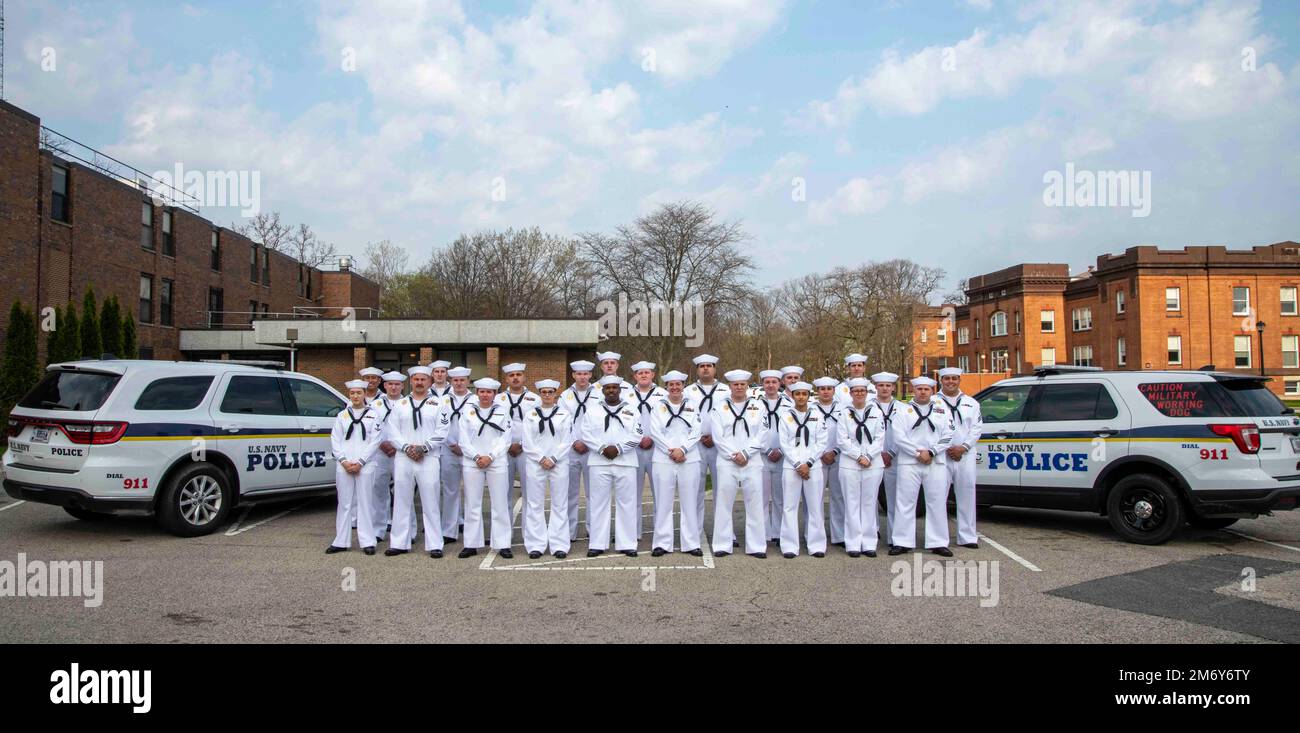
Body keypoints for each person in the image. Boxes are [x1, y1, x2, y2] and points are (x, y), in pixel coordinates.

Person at [386, 366, 450, 558]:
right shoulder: (401, 404)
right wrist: (406, 447)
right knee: (401, 500)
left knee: (430, 501)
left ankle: (435, 544)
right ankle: (399, 543)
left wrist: (424, 448)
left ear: (430, 382)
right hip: (404, 457)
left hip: (428, 458)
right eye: (416, 379)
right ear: (411, 382)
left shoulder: (438, 404)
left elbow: (443, 431)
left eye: (423, 379)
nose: (420, 383)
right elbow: (392, 430)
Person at [889, 376, 955, 557]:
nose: (923, 392)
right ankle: (902, 541)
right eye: (919, 389)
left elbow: (949, 434)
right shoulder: (903, 410)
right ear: (914, 390)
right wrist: (918, 453)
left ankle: (938, 542)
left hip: (935, 462)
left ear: (932, 391)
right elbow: (898, 436)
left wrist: (932, 452)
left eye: (926, 389)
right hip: (910, 462)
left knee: (937, 502)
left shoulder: (942, 411)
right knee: (905, 502)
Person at [578, 375, 642, 557]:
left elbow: (637, 434)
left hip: (626, 461)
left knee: (627, 503)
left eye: (615, 387)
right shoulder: (593, 410)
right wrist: (602, 448)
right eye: (608, 388)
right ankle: (597, 543)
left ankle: (627, 543)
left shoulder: (631, 409)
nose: (611, 390)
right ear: (603, 390)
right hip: (599, 461)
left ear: (620, 390)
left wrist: (620, 449)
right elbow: (586, 433)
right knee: (598, 503)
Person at [711, 369, 768, 558]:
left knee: (755, 503)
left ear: (747, 386)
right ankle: (722, 544)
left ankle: (757, 546)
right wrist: (733, 454)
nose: (739, 387)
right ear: (730, 386)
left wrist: (746, 453)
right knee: (724, 503)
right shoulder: (719, 407)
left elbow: (762, 433)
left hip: (752, 461)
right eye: (735, 384)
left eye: (742, 384)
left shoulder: (758, 406)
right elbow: (718, 436)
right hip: (727, 461)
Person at [646, 370, 703, 556]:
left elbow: (697, 431)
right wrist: (672, 450)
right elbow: (655, 431)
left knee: (689, 501)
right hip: (664, 459)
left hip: (689, 458)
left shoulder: (693, 406)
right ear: (666, 387)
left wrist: (683, 450)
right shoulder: (658, 406)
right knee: (663, 502)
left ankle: (691, 543)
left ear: (683, 386)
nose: (675, 387)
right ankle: (662, 543)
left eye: (678, 384)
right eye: (671, 385)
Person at [327, 379, 384, 555]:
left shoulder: (374, 415)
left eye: (359, 393)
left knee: (365, 503)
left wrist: (360, 461)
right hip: (344, 465)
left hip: (365, 465)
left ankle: (367, 541)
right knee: (344, 503)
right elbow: (335, 440)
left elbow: (375, 441)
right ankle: (341, 541)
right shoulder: (342, 416)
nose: (355, 396)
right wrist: (343, 461)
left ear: (364, 394)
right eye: (352, 393)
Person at [459, 378, 514, 559]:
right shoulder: (468, 412)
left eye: (489, 392)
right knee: (472, 503)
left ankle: (503, 544)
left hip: (496, 462)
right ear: (477, 393)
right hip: (472, 462)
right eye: (482, 391)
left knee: (499, 504)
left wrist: (490, 456)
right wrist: (476, 456)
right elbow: (463, 439)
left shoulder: (503, 411)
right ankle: (471, 544)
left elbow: (505, 439)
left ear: (494, 394)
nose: (485, 395)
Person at [778, 381, 830, 558]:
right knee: (789, 507)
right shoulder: (785, 416)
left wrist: (807, 463)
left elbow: (821, 441)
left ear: (809, 396)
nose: (801, 397)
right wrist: (797, 464)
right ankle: (789, 546)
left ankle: (816, 545)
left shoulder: (817, 415)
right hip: (791, 466)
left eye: (804, 394)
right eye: (797, 394)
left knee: (815, 506)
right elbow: (784, 443)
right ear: (792, 396)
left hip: (812, 466)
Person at [521, 379, 572, 559]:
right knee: (534, 504)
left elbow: (567, 440)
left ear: (555, 393)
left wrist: (553, 458)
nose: (547, 395)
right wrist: (541, 458)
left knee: (559, 503)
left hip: (559, 462)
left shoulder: (564, 414)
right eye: (544, 392)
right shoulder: (530, 415)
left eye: (550, 392)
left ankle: (559, 545)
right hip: (536, 463)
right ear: (540, 394)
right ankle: (536, 544)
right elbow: (527, 441)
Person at [837, 378, 886, 557]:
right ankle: (853, 543)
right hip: (850, 463)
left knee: (869, 503)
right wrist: (858, 456)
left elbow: (880, 437)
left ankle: (869, 543)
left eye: (862, 391)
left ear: (867, 393)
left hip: (873, 463)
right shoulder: (844, 413)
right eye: (855, 391)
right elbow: (842, 439)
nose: (859, 394)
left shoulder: (876, 412)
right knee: (851, 504)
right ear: (850, 393)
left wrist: (868, 456)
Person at [938, 366, 983, 550]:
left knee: (966, 495)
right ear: (941, 381)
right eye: (947, 378)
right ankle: (939, 539)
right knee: (938, 497)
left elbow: (976, 428)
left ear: (959, 380)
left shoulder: (971, 403)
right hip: (941, 456)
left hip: (965, 455)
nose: (950, 382)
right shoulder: (934, 402)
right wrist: (947, 448)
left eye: (954, 378)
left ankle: (967, 536)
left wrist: (963, 447)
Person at [684, 354, 723, 541]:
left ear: (715, 368)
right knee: (695, 491)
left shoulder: (725, 390)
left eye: (709, 365)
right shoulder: (688, 391)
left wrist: (716, 438)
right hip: (695, 445)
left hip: (720, 446)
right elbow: (684, 418)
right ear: (697, 369)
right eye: (702, 366)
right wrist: (697, 437)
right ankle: (694, 532)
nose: (706, 369)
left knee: (722, 490)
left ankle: (724, 533)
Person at [560, 360, 598, 543]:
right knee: (570, 492)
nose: (582, 377)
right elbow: (562, 423)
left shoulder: (598, 393)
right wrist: (575, 441)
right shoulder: (565, 396)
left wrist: (589, 442)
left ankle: (594, 529)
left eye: (586, 374)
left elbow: (601, 422)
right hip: (571, 449)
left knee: (594, 493)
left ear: (590, 375)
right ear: (573, 375)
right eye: (579, 374)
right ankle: (569, 531)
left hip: (593, 449)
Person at [494, 363, 539, 509]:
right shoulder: (497, 399)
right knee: (503, 492)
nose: (515, 378)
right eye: (511, 375)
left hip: (526, 450)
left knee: (529, 492)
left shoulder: (535, 399)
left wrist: (522, 444)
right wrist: (506, 445)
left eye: (518, 375)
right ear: (506, 379)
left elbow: (537, 427)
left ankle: (528, 532)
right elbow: (494, 426)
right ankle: (504, 532)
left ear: (524, 377)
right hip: (503, 450)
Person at [438, 366, 474, 545]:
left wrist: (465, 446)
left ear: (468, 381)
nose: (459, 383)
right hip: (448, 449)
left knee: (471, 492)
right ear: (451, 382)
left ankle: (471, 529)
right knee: (450, 490)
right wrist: (452, 443)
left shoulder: (475, 399)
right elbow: (439, 425)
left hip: (469, 452)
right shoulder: (442, 400)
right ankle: (449, 530)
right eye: (455, 380)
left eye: (462, 380)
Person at [368, 370, 405, 542]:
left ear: (402, 386)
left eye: (397, 384)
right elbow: (371, 427)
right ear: (385, 385)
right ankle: (378, 528)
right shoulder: (375, 404)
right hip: (380, 451)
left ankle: (403, 530)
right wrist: (382, 443)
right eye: (390, 384)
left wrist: (397, 445)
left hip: (401, 452)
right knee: (379, 489)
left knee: (402, 491)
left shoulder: (407, 403)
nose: (394, 387)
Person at [756, 369, 792, 545]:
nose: (770, 385)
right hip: (762, 456)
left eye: (774, 382)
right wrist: (767, 450)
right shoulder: (754, 404)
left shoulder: (789, 404)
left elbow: (793, 432)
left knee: (780, 497)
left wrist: (782, 450)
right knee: (761, 497)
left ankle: (778, 533)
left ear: (780, 384)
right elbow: (752, 431)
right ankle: (762, 533)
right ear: (763, 384)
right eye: (767, 382)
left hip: (783, 455)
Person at [812, 376, 845, 547]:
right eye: (822, 388)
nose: (825, 391)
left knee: (838, 497)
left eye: (829, 388)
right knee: (815, 498)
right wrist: (820, 453)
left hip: (838, 456)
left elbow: (848, 433)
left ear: (834, 391)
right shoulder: (810, 408)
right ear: (817, 391)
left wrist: (835, 451)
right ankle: (814, 535)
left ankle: (839, 535)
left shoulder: (844, 409)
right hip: (817, 458)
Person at [871, 371, 902, 550]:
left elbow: (905, 434)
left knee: (894, 498)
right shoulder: (868, 406)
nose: (884, 388)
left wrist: (890, 452)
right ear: (876, 387)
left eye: (888, 386)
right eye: (881, 385)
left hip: (894, 457)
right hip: (872, 458)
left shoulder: (903, 408)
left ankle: (894, 537)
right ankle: (872, 532)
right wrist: (876, 454)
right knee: (870, 499)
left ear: (892, 388)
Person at [628, 361, 667, 499]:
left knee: (659, 491)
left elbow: (667, 421)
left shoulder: (663, 394)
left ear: (653, 374)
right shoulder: (626, 395)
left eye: (646, 372)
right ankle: (633, 522)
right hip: (633, 448)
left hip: (657, 447)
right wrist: (637, 439)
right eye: (640, 373)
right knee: (633, 493)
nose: (643, 375)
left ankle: (660, 521)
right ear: (635, 376)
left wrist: (653, 438)